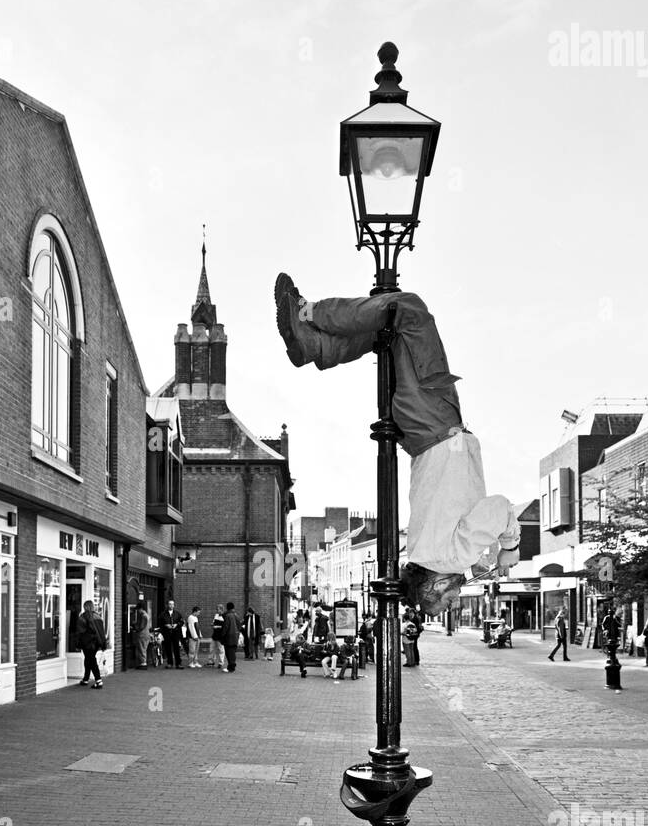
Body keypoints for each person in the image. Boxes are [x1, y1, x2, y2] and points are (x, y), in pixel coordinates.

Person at [275, 275, 521, 616]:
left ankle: (308, 314)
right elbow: (461, 519)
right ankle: (319, 347)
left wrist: (509, 546)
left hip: (434, 425)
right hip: (422, 438)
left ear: (434, 585)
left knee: (408, 310)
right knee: (389, 333)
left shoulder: (454, 557)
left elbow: (499, 508)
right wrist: (481, 560)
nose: (454, 601)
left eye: (447, 601)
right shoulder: (421, 554)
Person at [76, 600, 106, 689]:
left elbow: (80, 632)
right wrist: (103, 643)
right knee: (88, 659)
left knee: (91, 660)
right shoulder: (98, 616)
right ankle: (86, 679)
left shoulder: (83, 617)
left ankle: (98, 680)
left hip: (87, 643)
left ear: (85, 607)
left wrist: (78, 644)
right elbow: (102, 631)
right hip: (96, 643)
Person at [158, 599, 185, 669]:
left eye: (172, 604)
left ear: (174, 605)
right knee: (168, 648)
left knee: (176, 648)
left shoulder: (177, 614)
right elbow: (160, 623)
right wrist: (166, 625)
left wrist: (177, 625)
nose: (171, 605)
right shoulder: (163, 614)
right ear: (167, 605)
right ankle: (170, 663)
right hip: (167, 633)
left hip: (176, 633)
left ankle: (178, 663)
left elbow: (182, 622)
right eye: (170, 604)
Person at [221, 602, 241, 673]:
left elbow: (225, 627)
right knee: (233, 652)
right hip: (235, 636)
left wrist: (222, 635)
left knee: (229, 652)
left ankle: (231, 667)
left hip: (229, 637)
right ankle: (232, 666)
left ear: (227, 607)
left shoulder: (227, 616)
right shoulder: (236, 615)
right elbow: (239, 626)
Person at [133, 600, 151, 670]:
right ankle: (142, 663)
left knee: (142, 649)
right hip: (146, 634)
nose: (137, 611)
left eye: (138, 609)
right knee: (143, 649)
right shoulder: (146, 615)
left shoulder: (143, 616)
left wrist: (134, 626)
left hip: (142, 635)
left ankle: (143, 663)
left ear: (140, 609)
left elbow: (141, 626)